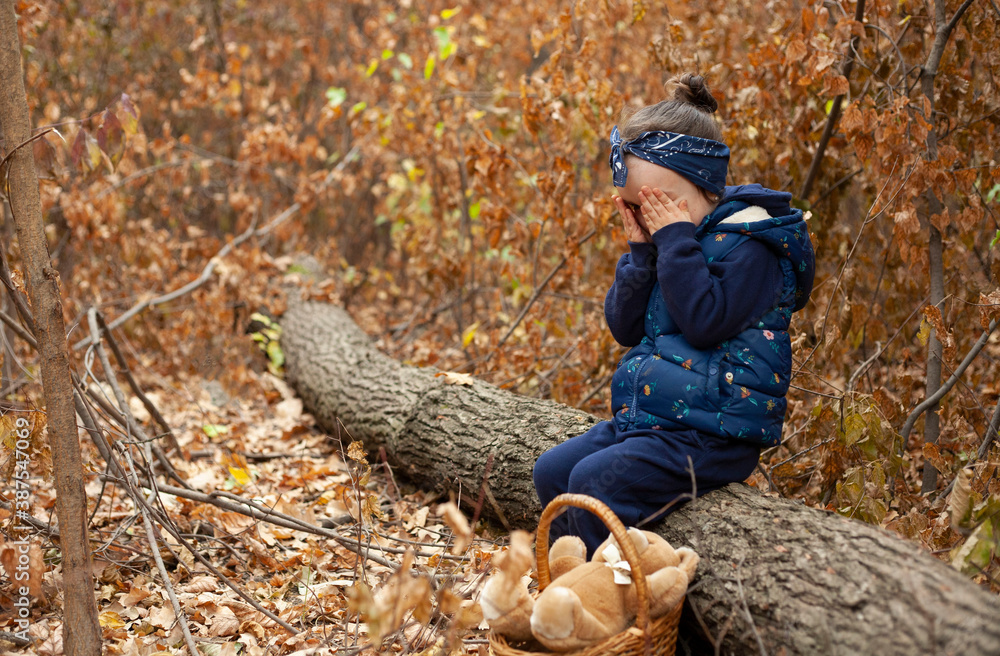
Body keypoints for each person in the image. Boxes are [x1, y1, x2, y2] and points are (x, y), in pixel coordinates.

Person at [533, 73, 815, 556]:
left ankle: (610, 602)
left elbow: (704, 323)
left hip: (713, 434)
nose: (644, 218)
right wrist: (642, 256)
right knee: (554, 471)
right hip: (654, 418)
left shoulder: (753, 246)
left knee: (593, 481)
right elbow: (623, 328)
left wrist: (674, 243)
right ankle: (569, 583)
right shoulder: (672, 241)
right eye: (631, 207)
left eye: (652, 204)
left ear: (698, 185)